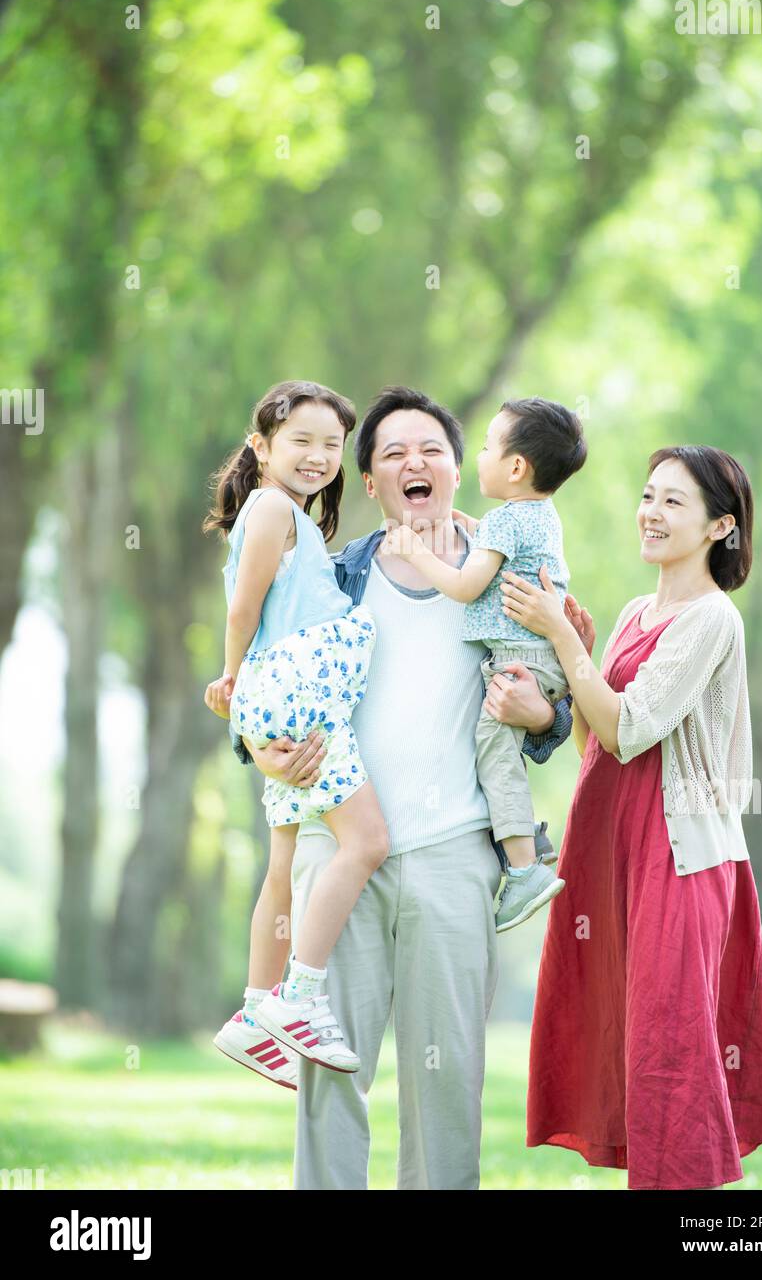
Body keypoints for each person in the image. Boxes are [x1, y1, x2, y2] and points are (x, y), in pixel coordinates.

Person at [209, 385, 573, 1189]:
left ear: (456, 468)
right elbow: (262, 684)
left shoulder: (508, 568)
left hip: (454, 859)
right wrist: (258, 747)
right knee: (330, 1074)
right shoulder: (332, 573)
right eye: (391, 454)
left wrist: (541, 708)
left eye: (431, 450)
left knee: (448, 1083)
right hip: (342, 857)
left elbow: (555, 706)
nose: (415, 463)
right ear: (368, 482)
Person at [499, 444, 762, 1190]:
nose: (650, 513)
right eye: (647, 494)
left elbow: (633, 727)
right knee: (625, 1047)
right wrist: (569, 677)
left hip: (679, 855)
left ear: (719, 527)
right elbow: (601, 742)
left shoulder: (711, 619)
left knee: (670, 1052)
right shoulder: (635, 612)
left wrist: (563, 641)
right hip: (614, 849)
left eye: (673, 502)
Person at [203, 379, 390, 1082]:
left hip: (284, 694)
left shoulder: (286, 515)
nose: (317, 455)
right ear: (261, 446)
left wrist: (241, 687)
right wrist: (233, 678)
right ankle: (299, 997)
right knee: (367, 841)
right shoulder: (274, 505)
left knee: (282, 868)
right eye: (300, 441)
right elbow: (242, 608)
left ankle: (254, 1014)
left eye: (330, 444)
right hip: (293, 692)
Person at [382, 396, 586, 932]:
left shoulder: (500, 524)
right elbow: (499, 553)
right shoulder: (537, 516)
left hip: (519, 662)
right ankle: (525, 845)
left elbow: (467, 585)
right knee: (501, 753)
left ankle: (524, 866)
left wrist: (415, 549)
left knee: (495, 753)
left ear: (516, 466)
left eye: (489, 446)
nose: (479, 456)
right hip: (542, 660)